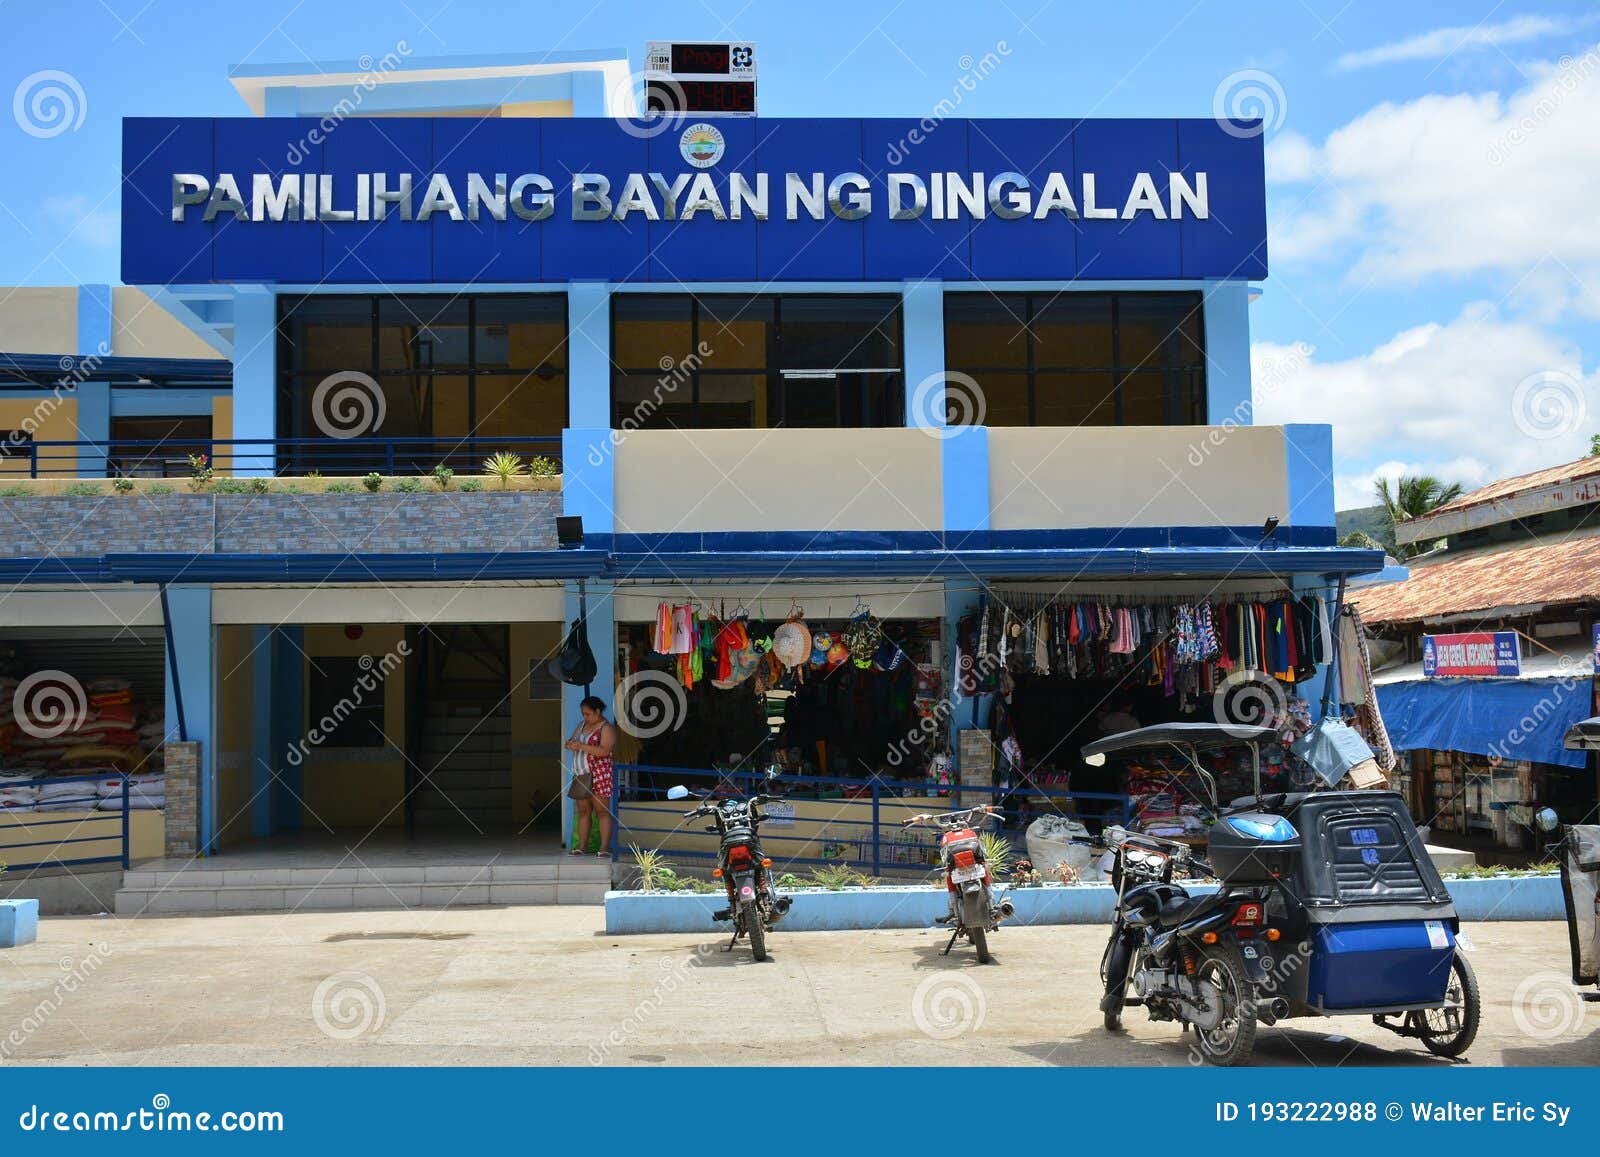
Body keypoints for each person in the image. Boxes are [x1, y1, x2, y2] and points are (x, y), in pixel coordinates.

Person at [565, 695, 617, 856]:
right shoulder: (582, 725)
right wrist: (570, 745)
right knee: (583, 811)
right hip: (581, 774)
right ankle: (582, 846)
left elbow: (604, 751)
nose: (585, 717)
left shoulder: (606, 728)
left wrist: (581, 746)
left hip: (599, 774)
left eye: (588, 714)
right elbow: (570, 741)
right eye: (583, 714)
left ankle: (604, 848)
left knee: (602, 811)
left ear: (598, 711)